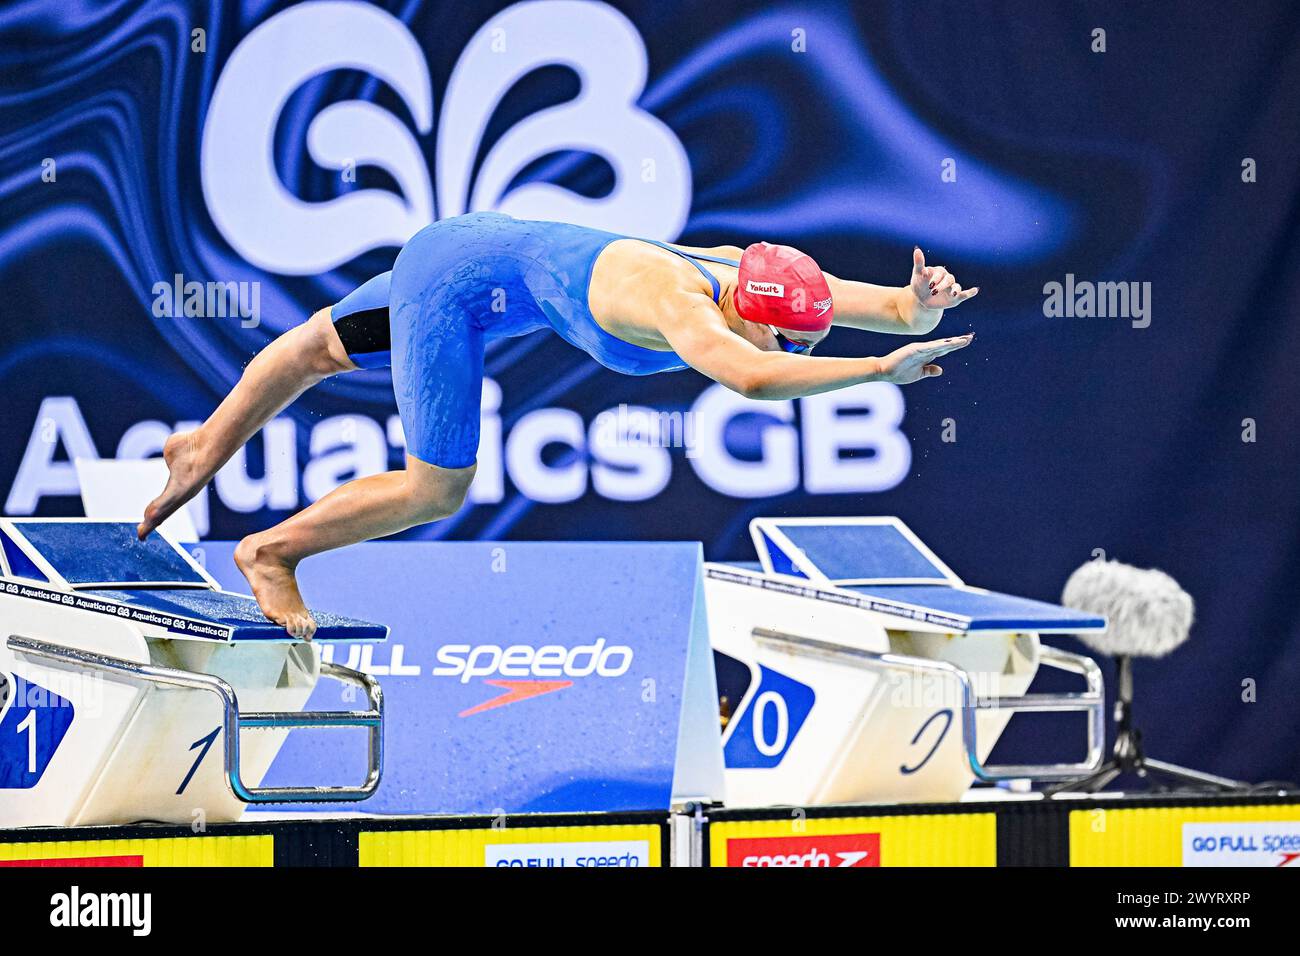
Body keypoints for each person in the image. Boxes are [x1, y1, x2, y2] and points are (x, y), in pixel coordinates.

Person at [138, 212, 979, 638]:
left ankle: (201, 446)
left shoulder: (753, 276)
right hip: (457, 284)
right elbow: (756, 381)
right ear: (749, 315)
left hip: (485, 257)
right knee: (441, 486)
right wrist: (875, 373)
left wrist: (918, 304)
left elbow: (893, 312)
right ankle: (272, 552)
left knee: (320, 348)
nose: (797, 346)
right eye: (791, 338)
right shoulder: (683, 306)